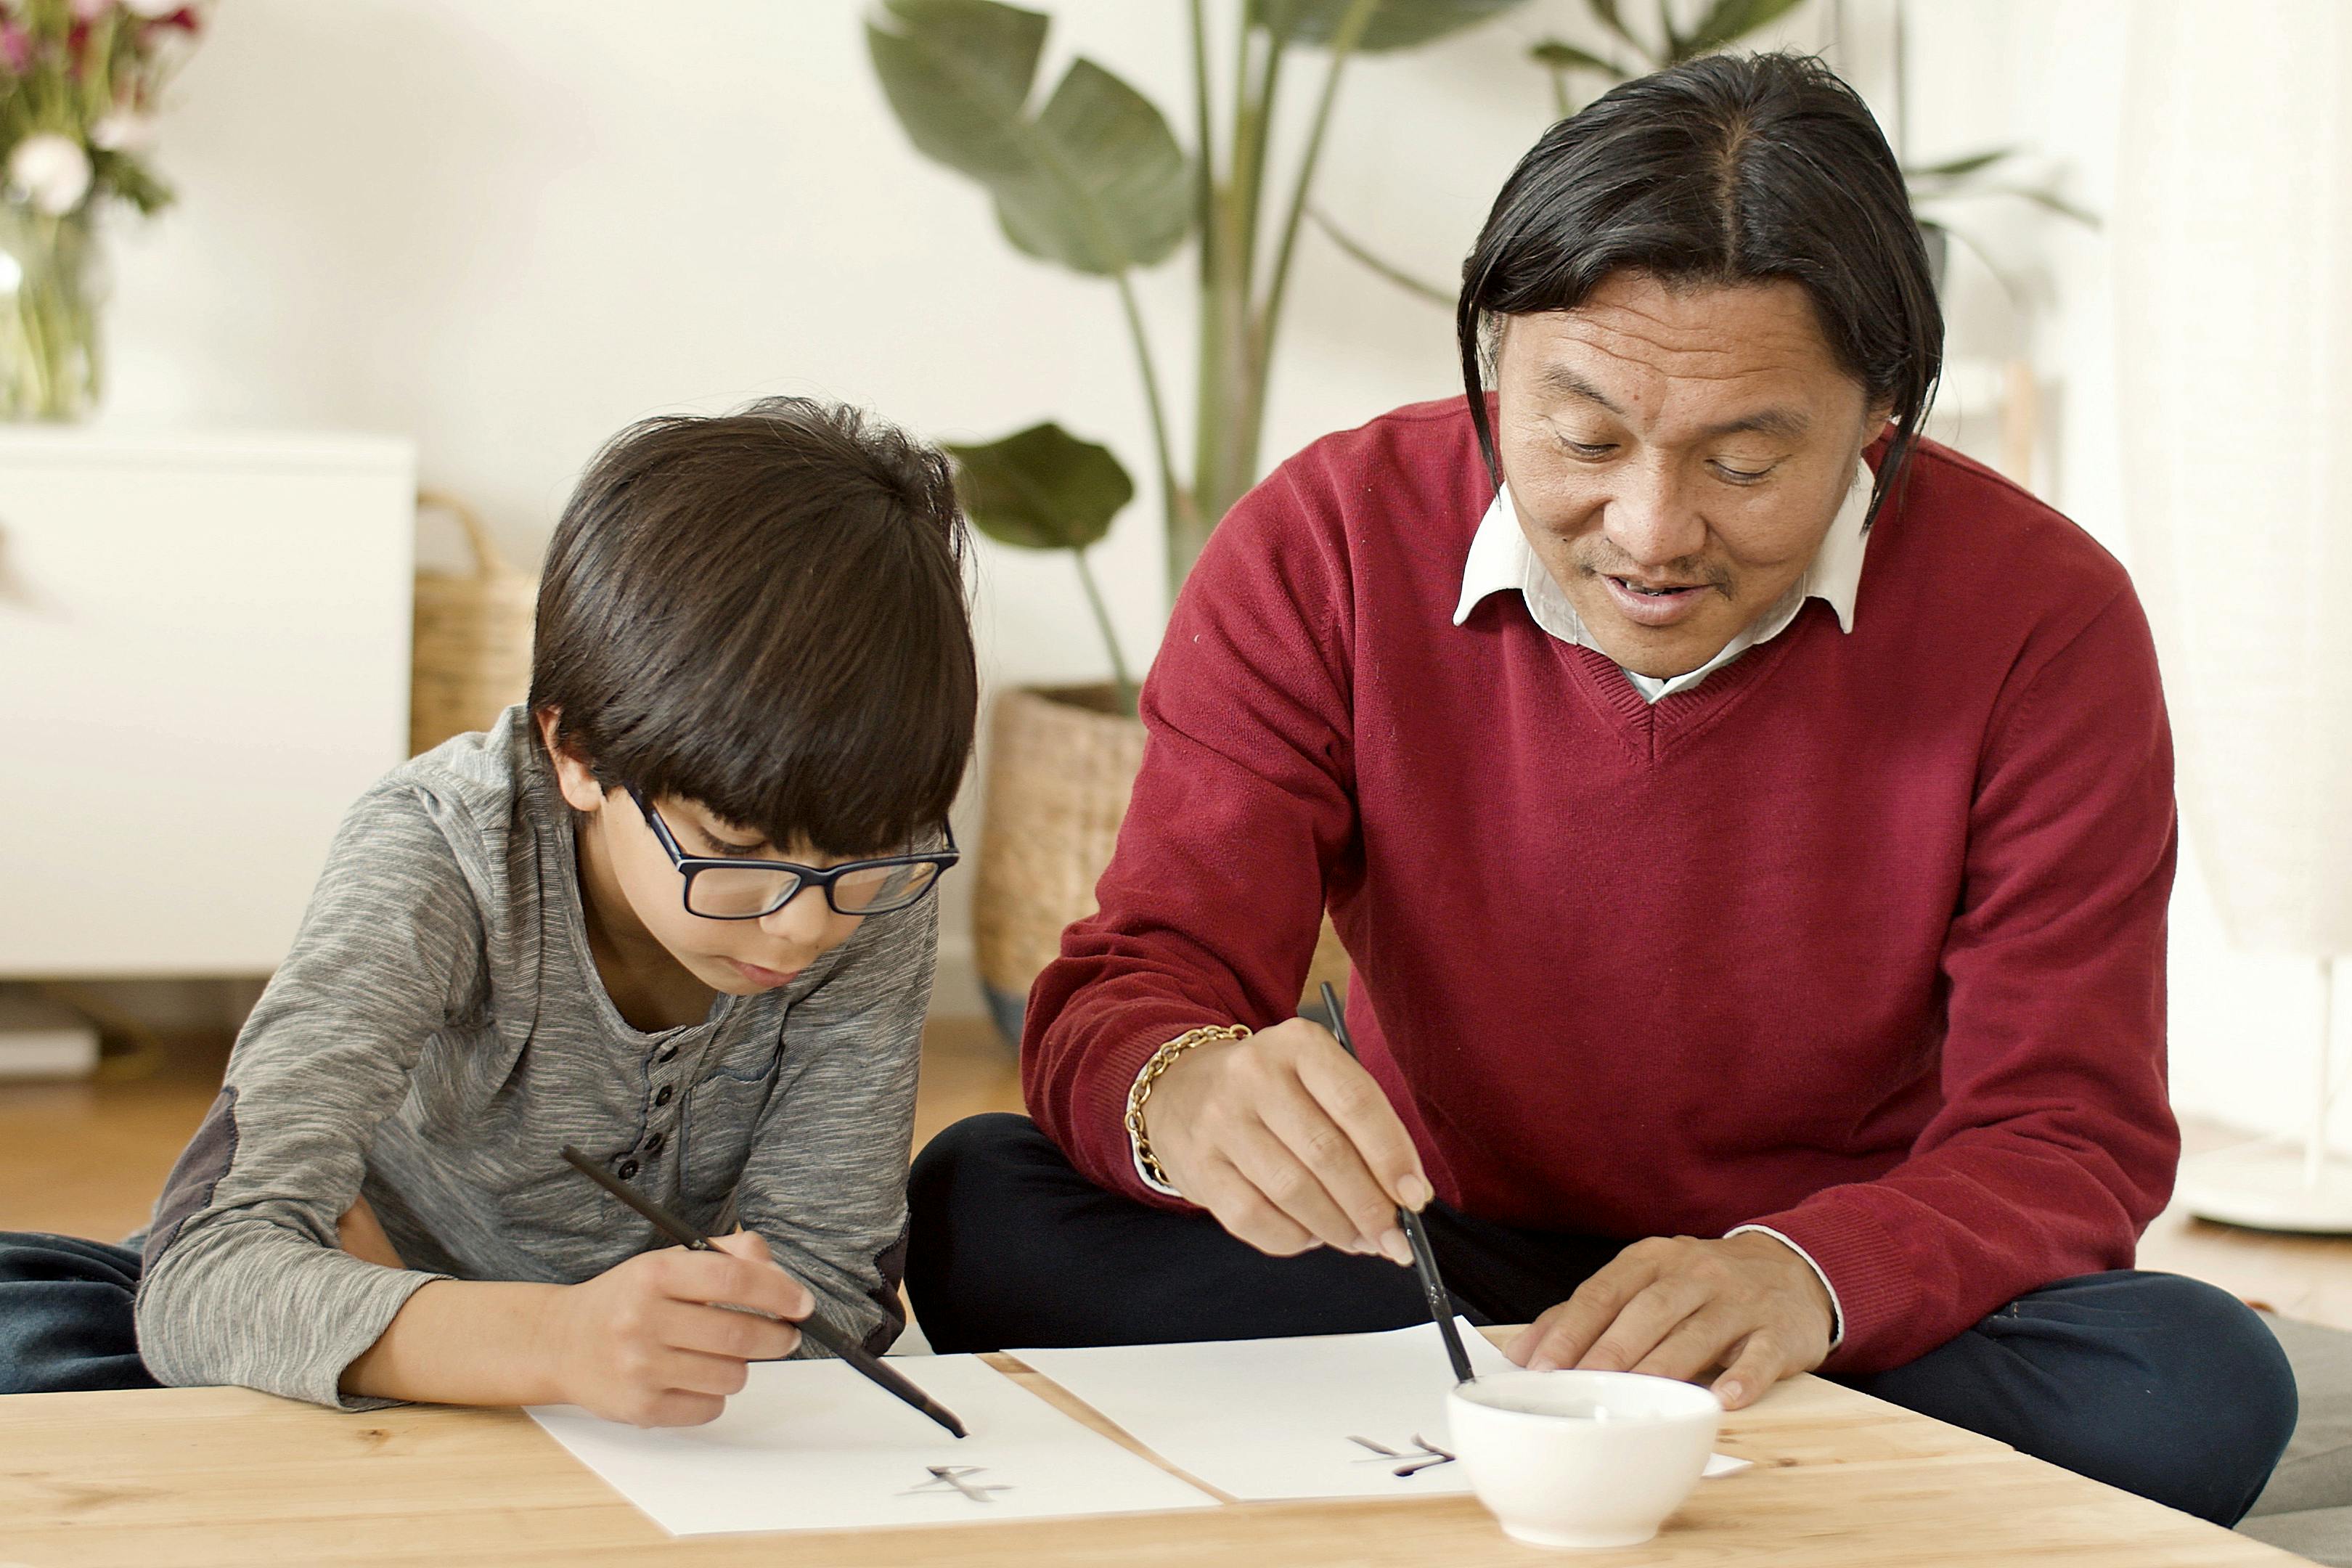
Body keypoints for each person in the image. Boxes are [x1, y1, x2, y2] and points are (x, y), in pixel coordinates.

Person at [905, 53, 2298, 1525]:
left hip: (1811, 1300)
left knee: (2192, 1380)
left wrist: (1806, 1279)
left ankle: (1496, 1436)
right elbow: (1143, 977)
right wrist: (1185, 1093)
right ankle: (1645, 1445)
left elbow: (2064, 1136)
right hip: (1430, 1260)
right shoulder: (1325, 542)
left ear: (1877, 422)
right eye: (1583, 438)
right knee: (988, 1202)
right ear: (1498, 372)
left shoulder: (2043, 618)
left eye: (1746, 462)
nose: (1649, 528)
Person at [0, 398, 976, 1426]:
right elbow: (208, 1268)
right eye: (734, 853)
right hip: (374, 1320)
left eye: (866, 855)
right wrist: (551, 1345)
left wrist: (694, 1345)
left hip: (646, 1379)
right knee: (31, 1327)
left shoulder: (873, 887)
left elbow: (833, 1293)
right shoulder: (438, 853)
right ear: (577, 752)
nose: (804, 927)